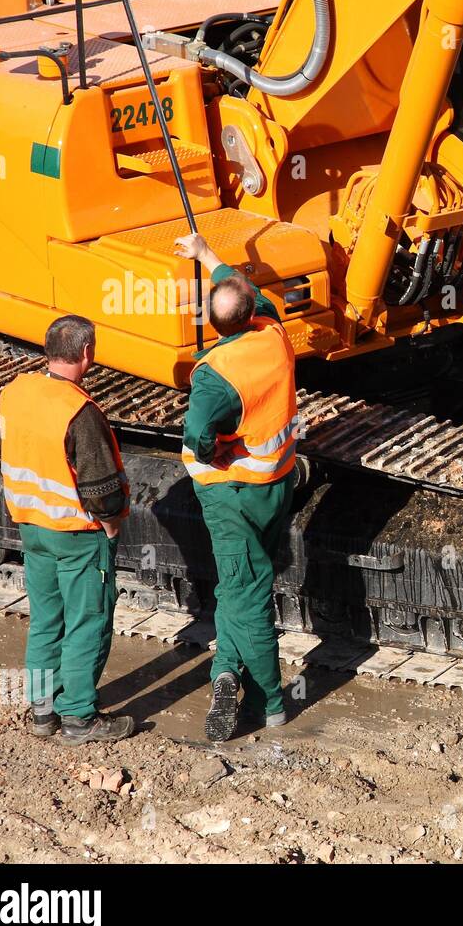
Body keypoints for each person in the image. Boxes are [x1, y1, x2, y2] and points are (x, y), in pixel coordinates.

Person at [174, 233, 298, 742]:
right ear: (250, 312)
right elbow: (246, 289)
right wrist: (206, 254)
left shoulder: (214, 376)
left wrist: (215, 453)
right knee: (237, 582)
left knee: (247, 593)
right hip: (274, 484)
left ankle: (270, 701)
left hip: (230, 492)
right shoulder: (273, 331)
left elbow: (197, 435)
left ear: (213, 323)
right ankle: (226, 669)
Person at [0, 315, 133, 746]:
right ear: (87, 353)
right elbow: (101, 489)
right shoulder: (80, 411)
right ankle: (78, 717)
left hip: (32, 527)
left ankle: (43, 711)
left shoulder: (16, 391)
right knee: (87, 622)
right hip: (77, 533)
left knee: (46, 620)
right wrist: (111, 526)